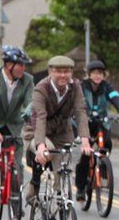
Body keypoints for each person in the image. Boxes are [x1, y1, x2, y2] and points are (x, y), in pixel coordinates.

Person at [22, 55, 92, 203]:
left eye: (66, 71)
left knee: (64, 164)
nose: (62, 75)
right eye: (58, 71)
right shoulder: (41, 89)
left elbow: (80, 111)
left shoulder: (75, 87)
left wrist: (85, 139)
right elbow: (40, 117)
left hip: (62, 131)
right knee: (48, 151)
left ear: (71, 72)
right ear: (50, 72)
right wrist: (40, 145)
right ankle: (35, 182)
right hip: (36, 131)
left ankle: (61, 196)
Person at [74, 59, 119, 201]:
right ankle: (81, 189)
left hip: (101, 122)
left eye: (100, 73)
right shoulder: (82, 86)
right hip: (86, 123)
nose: (97, 76)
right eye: (94, 73)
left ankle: (104, 165)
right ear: (89, 74)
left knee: (107, 144)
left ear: (104, 75)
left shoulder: (107, 87)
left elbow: (115, 98)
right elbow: (76, 101)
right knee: (86, 156)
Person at [0, 46, 34, 189]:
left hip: (14, 123)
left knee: (17, 164)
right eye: (20, 65)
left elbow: (31, 102)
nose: (23, 68)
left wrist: (30, 113)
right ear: (9, 65)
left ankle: (16, 202)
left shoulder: (28, 80)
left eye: (24, 65)